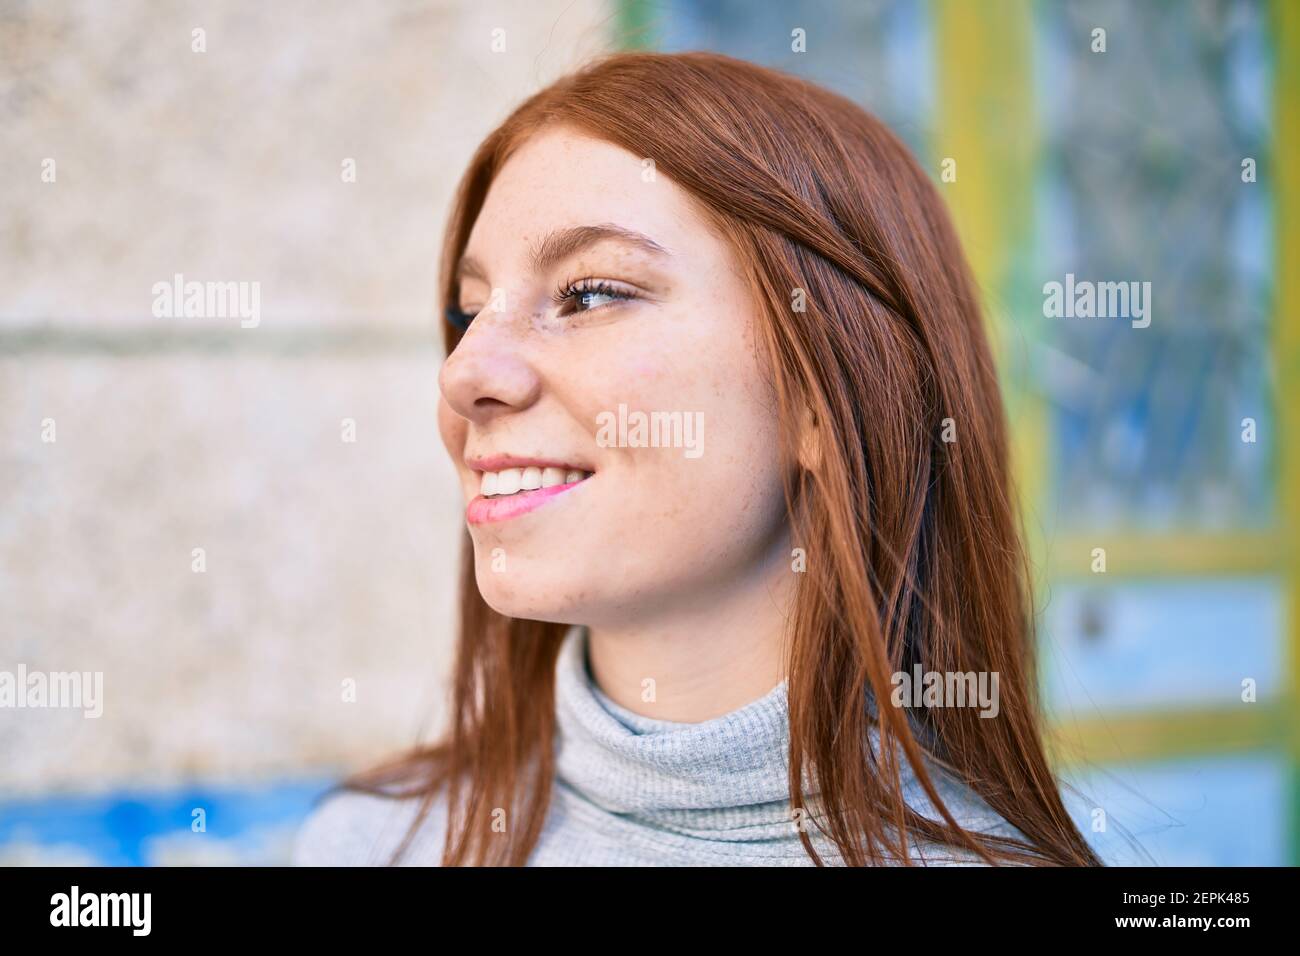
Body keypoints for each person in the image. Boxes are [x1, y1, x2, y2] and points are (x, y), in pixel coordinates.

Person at [292, 50, 1101, 867]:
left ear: (821, 396)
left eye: (590, 294)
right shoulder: (369, 844)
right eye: (470, 315)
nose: (464, 374)